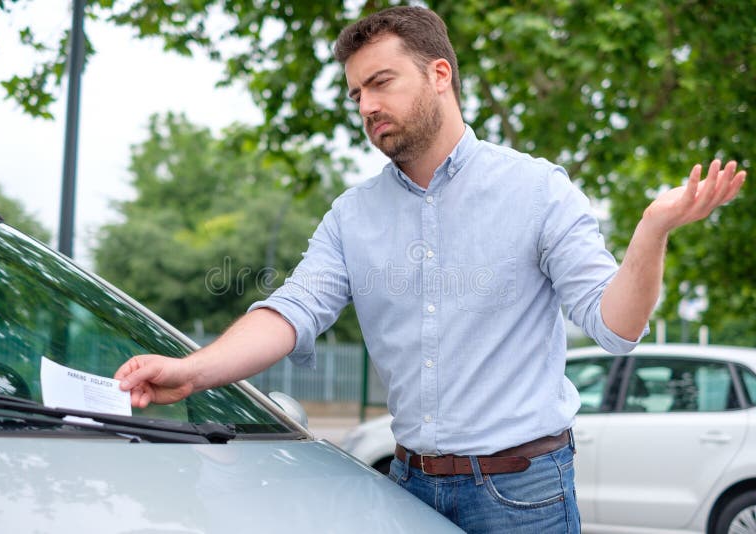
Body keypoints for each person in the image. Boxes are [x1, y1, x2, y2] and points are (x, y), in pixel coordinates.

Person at [115, 6, 746, 533]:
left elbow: (616, 328)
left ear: (439, 73)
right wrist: (192, 371)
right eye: (357, 92)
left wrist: (651, 231)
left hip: (524, 496)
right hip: (405, 484)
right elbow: (291, 313)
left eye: (382, 82)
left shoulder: (538, 190)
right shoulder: (351, 214)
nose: (366, 105)